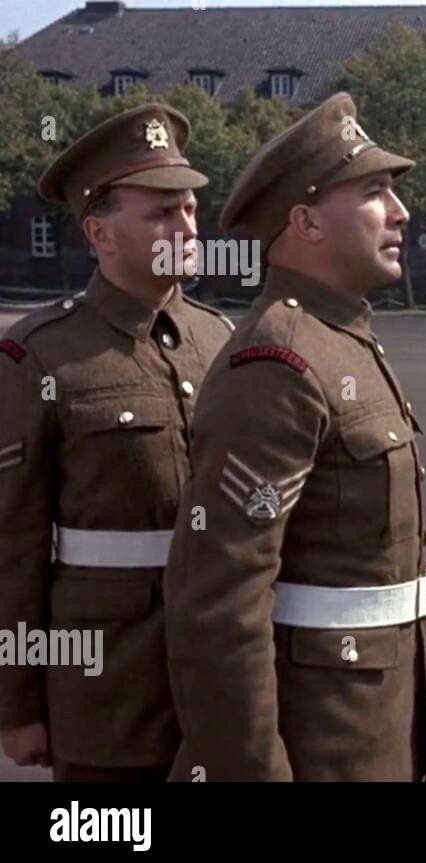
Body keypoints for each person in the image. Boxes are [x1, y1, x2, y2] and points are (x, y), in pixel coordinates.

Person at [162, 93, 426, 781]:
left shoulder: (339, 338)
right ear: (306, 220)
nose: (400, 212)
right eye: (374, 192)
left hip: (373, 723)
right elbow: (220, 606)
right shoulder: (277, 360)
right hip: (320, 744)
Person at [0, 103, 229, 781]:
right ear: (99, 230)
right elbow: (10, 545)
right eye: (160, 212)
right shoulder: (39, 355)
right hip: (106, 690)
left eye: (188, 208)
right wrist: (17, 702)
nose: (185, 226)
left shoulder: (220, 341)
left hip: (222, 684)